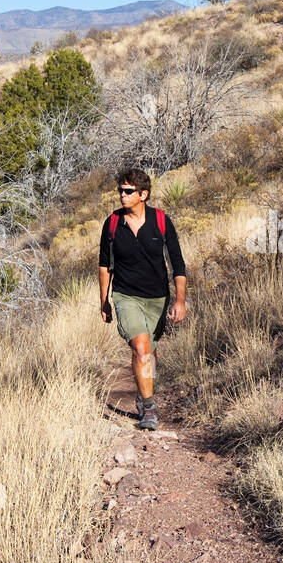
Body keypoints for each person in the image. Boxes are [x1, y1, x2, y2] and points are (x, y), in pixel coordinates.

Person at [98, 168, 187, 430]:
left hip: (157, 298)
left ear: (143, 194)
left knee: (150, 351)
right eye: (120, 191)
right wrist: (104, 300)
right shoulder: (113, 224)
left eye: (128, 192)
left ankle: (142, 391)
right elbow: (105, 266)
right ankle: (149, 407)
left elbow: (178, 265)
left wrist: (179, 300)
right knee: (140, 346)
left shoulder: (161, 221)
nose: (122, 196)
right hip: (125, 295)